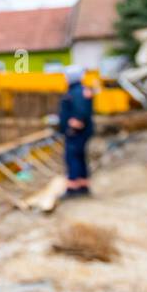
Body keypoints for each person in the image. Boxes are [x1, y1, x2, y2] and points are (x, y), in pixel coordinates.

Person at [58, 65, 93, 196]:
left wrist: (74, 124)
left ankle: (73, 188)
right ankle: (83, 185)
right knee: (79, 157)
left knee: (72, 158)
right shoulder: (80, 90)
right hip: (80, 131)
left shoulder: (76, 92)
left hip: (76, 132)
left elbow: (81, 110)